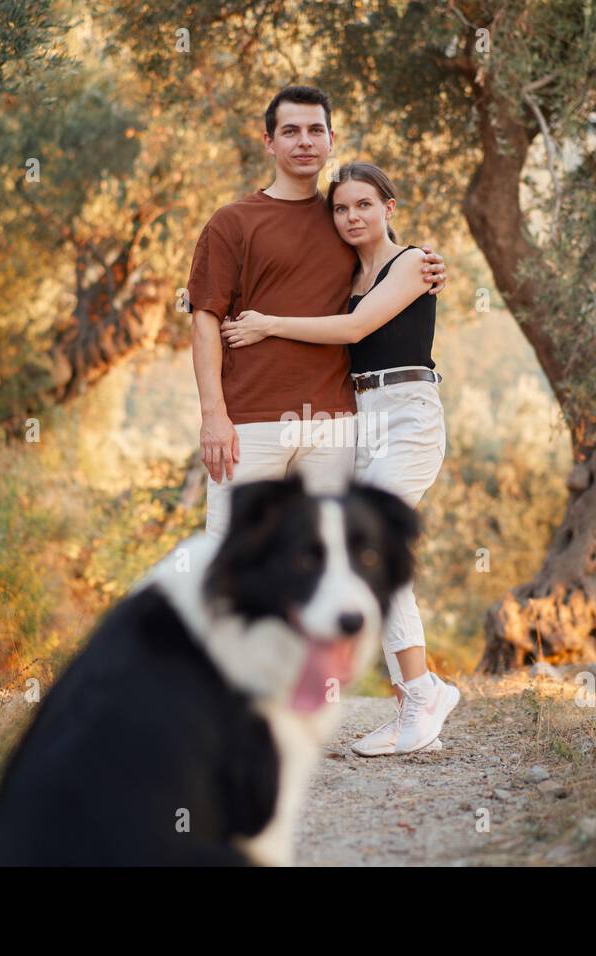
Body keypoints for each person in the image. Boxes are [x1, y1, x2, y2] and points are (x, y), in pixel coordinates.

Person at [221, 162, 459, 756]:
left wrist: (268, 325)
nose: (352, 217)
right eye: (341, 208)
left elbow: (357, 327)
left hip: (409, 414)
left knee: (371, 545)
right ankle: (419, 697)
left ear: (389, 207)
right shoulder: (349, 270)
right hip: (360, 418)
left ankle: (422, 694)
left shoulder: (413, 262)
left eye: (364, 205)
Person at [186, 86, 446, 544]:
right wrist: (213, 416)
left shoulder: (343, 220)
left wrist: (431, 267)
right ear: (269, 142)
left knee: (323, 571)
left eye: (314, 130)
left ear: (330, 140)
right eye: (290, 131)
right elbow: (204, 318)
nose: (304, 141)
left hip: (336, 428)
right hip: (252, 423)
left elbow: (384, 265)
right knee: (230, 564)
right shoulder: (233, 222)